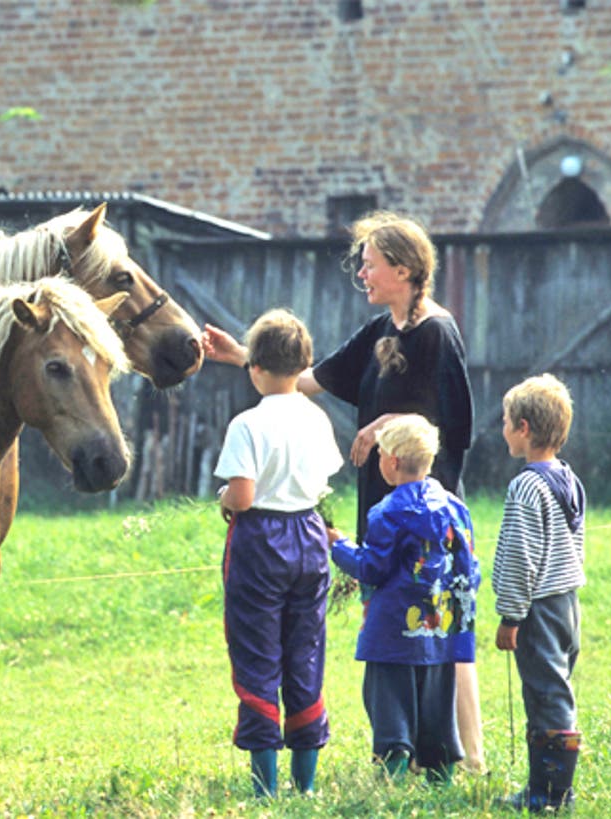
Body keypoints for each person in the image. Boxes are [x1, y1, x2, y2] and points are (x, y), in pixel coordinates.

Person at [200, 210, 484, 773]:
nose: (363, 275)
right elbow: (310, 381)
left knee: (438, 627)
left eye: (371, 265)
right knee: (392, 626)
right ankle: (404, 747)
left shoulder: (437, 331)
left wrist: (387, 423)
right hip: (383, 504)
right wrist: (245, 359)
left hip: (426, 517)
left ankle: (465, 754)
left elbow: (456, 426)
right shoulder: (381, 332)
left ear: (403, 268)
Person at [213, 308, 343, 798]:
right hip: (309, 535)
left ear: (255, 368)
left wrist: (224, 498)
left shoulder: (247, 423)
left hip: (260, 540)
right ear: (303, 363)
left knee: (257, 654)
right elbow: (322, 479)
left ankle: (265, 785)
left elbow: (242, 496)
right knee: (304, 651)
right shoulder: (317, 417)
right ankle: (305, 784)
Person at [327, 414, 479, 785]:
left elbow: (372, 569)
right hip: (440, 631)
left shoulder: (386, 513)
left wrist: (338, 546)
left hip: (392, 634)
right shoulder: (455, 509)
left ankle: (392, 774)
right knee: (437, 707)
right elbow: (469, 568)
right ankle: (442, 777)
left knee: (388, 703)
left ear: (391, 461)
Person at [493, 374, 585, 813]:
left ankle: (550, 796)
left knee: (547, 697)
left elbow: (520, 558)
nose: (502, 427)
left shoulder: (525, 486)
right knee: (553, 690)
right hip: (568, 603)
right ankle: (546, 789)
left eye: (506, 420)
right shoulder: (568, 477)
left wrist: (511, 617)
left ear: (524, 428)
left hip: (540, 608)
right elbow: (574, 545)